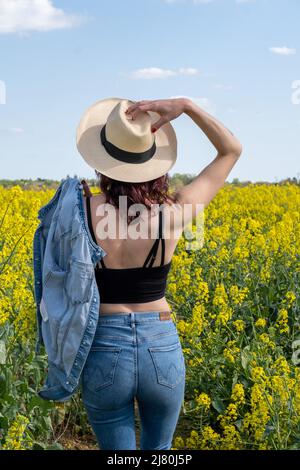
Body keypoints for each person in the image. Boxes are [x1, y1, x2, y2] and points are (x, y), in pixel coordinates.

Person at [75, 97, 242, 450]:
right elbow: (231, 150)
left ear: (101, 163)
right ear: (155, 162)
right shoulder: (176, 211)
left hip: (103, 346)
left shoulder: (80, 211)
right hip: (161, 343)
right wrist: (187, 106)